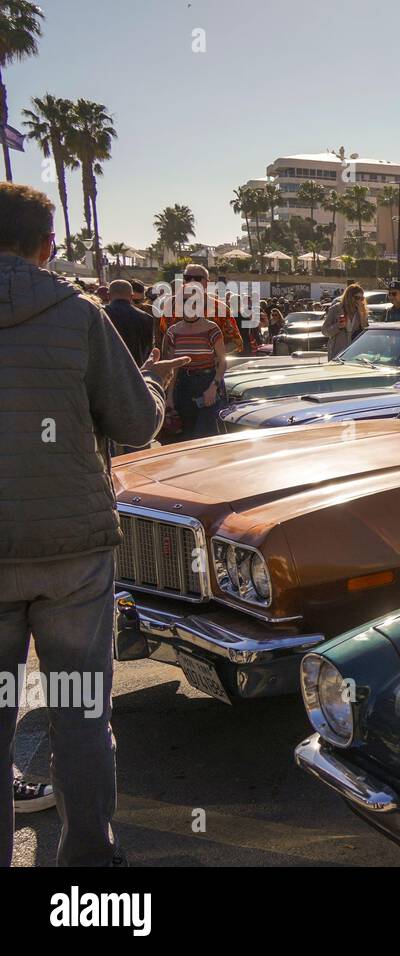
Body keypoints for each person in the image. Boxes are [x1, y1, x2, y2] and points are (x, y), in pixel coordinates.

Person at [0, 181, 188, 867]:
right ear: (49, 247)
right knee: (79, 717)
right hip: (72, 556)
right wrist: (156, 386)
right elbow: (137, 423)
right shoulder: (78, 315)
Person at [161, 293, 227, 440]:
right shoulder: (173, 331)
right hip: (184, 384)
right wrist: (169, 396)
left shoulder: (211, 329)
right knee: (187, 434)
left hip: (207, 380)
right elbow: (173, 367)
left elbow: (222, 361)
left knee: (205, 433)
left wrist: (213, 387)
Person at [155, 264, 243, 356]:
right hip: (178, 366)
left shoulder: (220, 308)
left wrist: (211, 354)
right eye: (188, 278)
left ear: (207, 283)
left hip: (209, 367)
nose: (192, 281)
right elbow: (165, 336)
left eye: (197, 278)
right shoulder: (171, 304)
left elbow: (235, 342)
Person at [103, 279, 153, 367]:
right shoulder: (146, 318)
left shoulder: (100, 314)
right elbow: (148, 350)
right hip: (135, 370)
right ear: (131, 296)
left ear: (108, 295)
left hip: (106, 369)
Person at [322, 283, 369, 359]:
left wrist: (361, 314)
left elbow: (366, 332)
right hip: (337, 353)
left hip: (355, 354)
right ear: (349, 297)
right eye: (357, 297)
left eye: (362, 298)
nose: (360, 301)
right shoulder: (335, 309)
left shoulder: (361, 311)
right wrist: (338, 326)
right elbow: (324, 331)